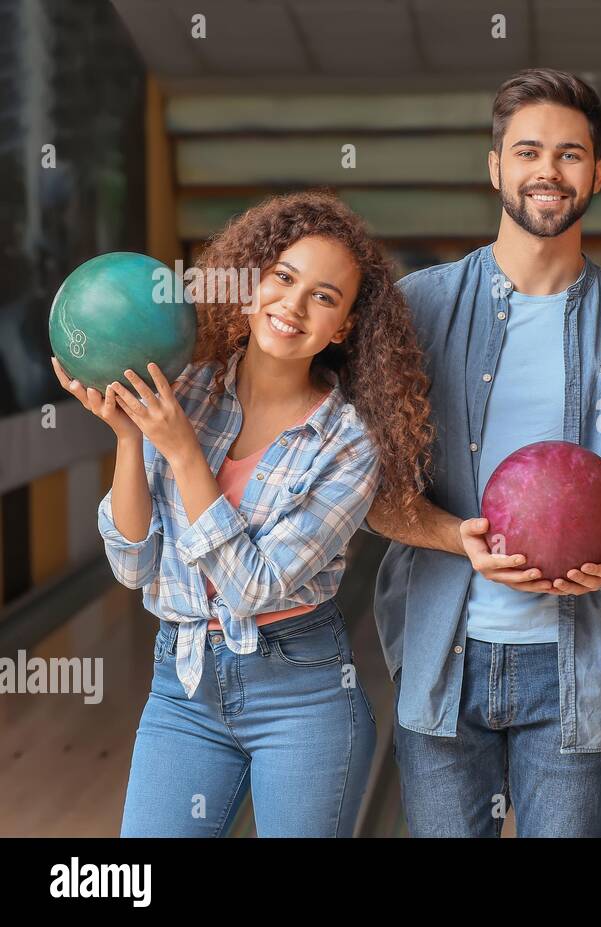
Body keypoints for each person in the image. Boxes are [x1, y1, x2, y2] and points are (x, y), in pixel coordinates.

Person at [365, 68, 601, 837]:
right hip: (446, 658)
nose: (549, 171)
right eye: (529, 151)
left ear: (599, 172)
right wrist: (454, 536)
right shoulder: (416, 310)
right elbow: (369, 483)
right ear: (496, 166)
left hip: (575, 666)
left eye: (571, 155)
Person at [57, 191, 432, 837]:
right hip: (182, 688)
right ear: (252, 283)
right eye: (283, 278)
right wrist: (129, 437)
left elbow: (252, 587)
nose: (292, 304)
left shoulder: (348, 443)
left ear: (342, 326)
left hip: (302, 696)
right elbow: (131, 562)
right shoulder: (185, 388)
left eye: (324, 296)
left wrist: (181, 451)